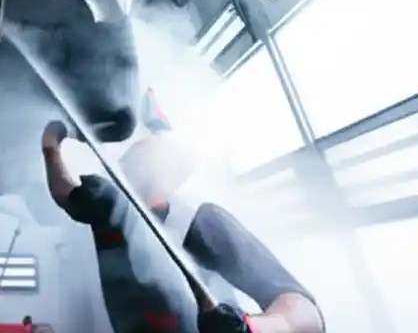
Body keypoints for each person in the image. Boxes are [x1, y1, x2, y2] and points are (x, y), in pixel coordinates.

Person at [42, 115, 325, 333]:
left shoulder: (199, 221)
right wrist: (51, 143)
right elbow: (64, 192)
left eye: (139, 157)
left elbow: (305, 314)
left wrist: (252, 327)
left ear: (167, 174)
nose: (124, 163)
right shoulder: (108, 210)